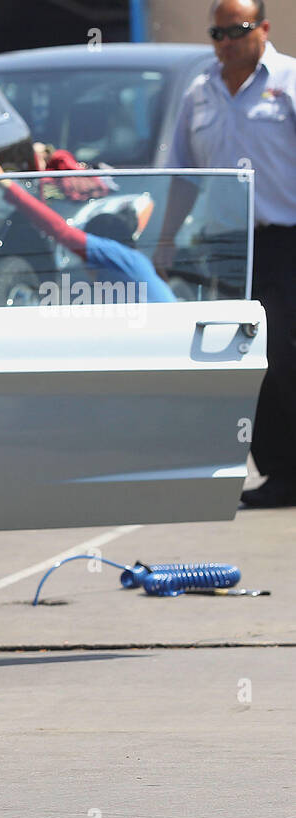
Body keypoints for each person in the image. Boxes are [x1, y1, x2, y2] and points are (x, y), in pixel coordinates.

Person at [157, 0, 296, 508]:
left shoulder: (288, 81)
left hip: (286, 241)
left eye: (236, 31)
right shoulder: (200, 93)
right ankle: (281, 473)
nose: (225, 43)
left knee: (288, 353)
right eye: (217, 34)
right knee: (246, 360)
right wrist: (166, 239)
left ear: (263, 28)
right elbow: (184, 175)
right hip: (228, 247)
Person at [0, 154, 176, 304]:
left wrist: (5, 183)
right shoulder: (135, 263)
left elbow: (59, 231)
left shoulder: (115, 254)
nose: (84, 265)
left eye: (85, 257)